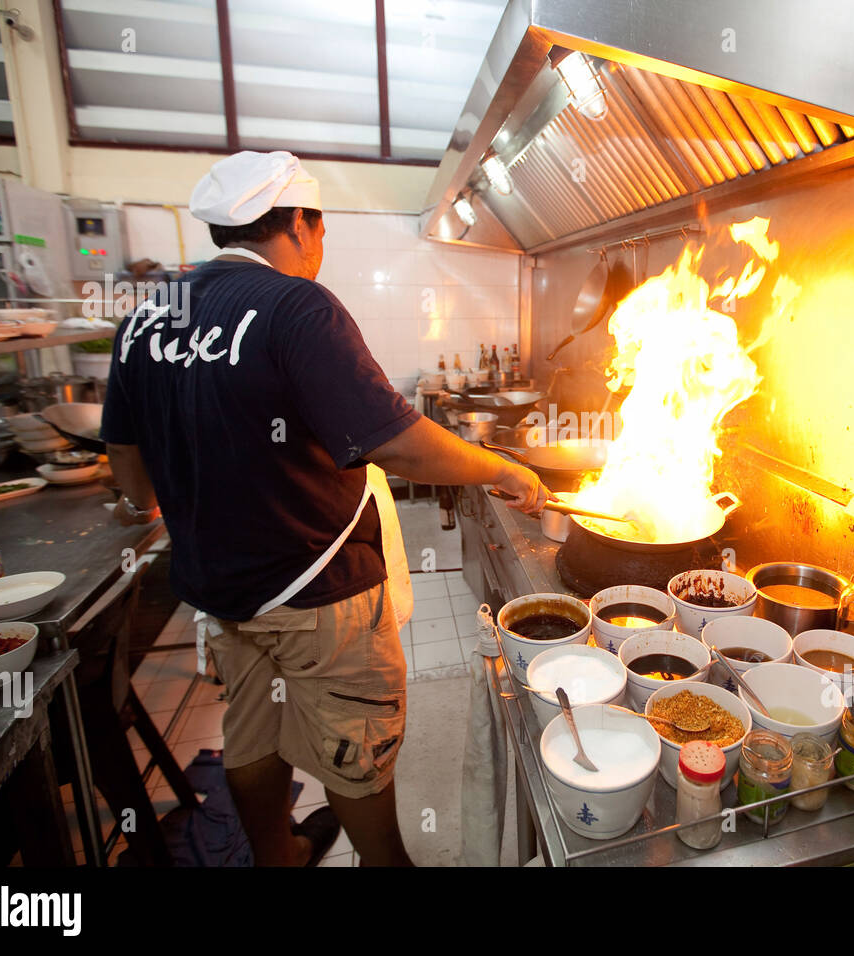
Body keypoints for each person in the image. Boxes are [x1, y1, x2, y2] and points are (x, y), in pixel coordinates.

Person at [102, 150, 550, 867]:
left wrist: (177, 494)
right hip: (319, 586)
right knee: (356, 744)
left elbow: (130, 470)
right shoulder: (297, 305)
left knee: (252, 731)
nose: (320, 244)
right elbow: (398, 444)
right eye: (321, 228)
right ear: (300, 225)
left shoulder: (149, 315)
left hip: (224, 591)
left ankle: (277, 857)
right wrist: (501, 467)